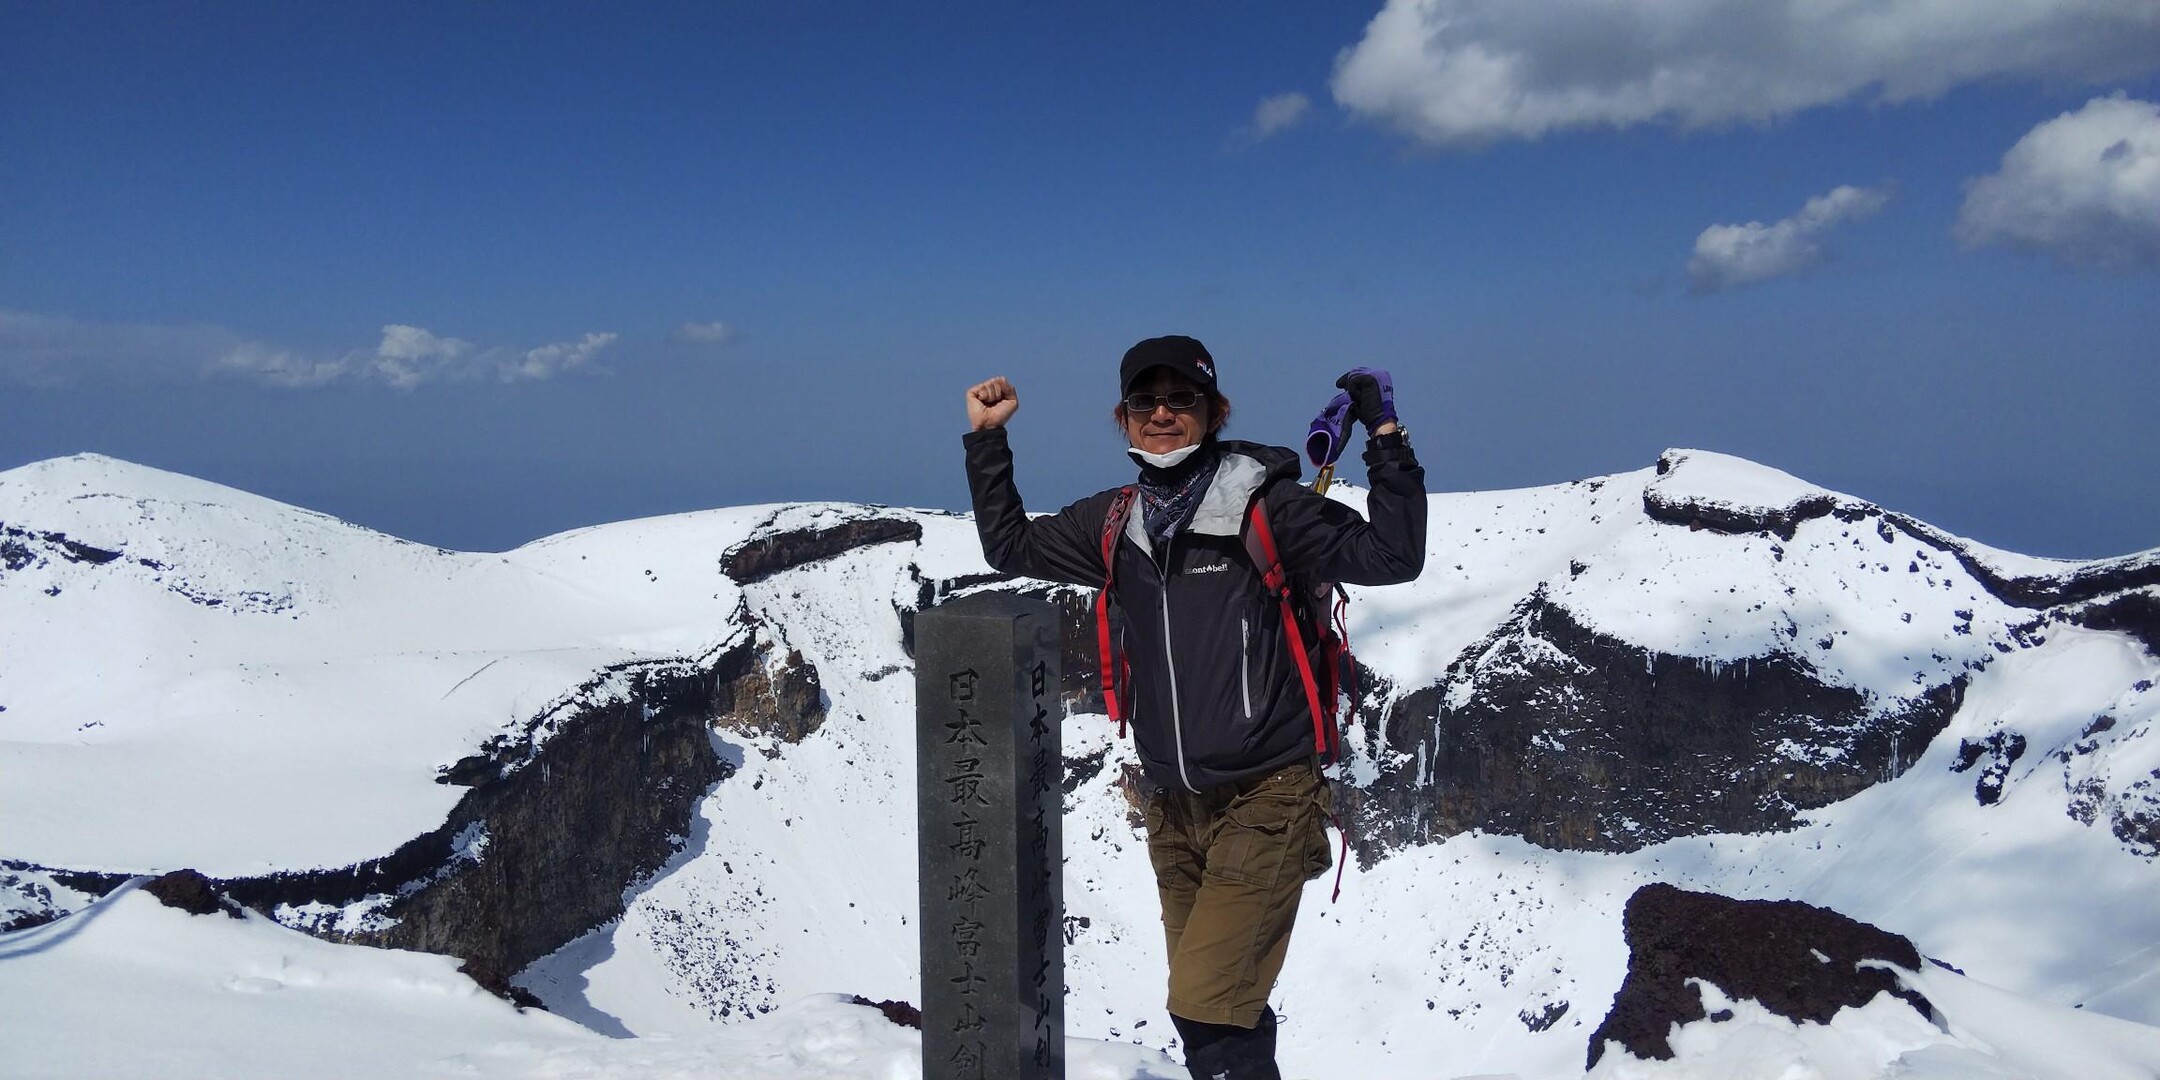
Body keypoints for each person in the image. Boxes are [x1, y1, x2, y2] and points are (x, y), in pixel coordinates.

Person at [961, 335, 1426, 1080]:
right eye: (1145, 400)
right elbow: (1010, 546)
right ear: (1123, 417)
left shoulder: (1267, 507)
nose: (1163, 413)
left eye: (1182, 398)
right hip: (1174, 804)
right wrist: (989, 440)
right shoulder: (1115, 522)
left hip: (1267, 794)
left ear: (1216, 411)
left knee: (1209, 1003)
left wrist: (1386, 436)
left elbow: (1394, 557)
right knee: (1212, 1009)